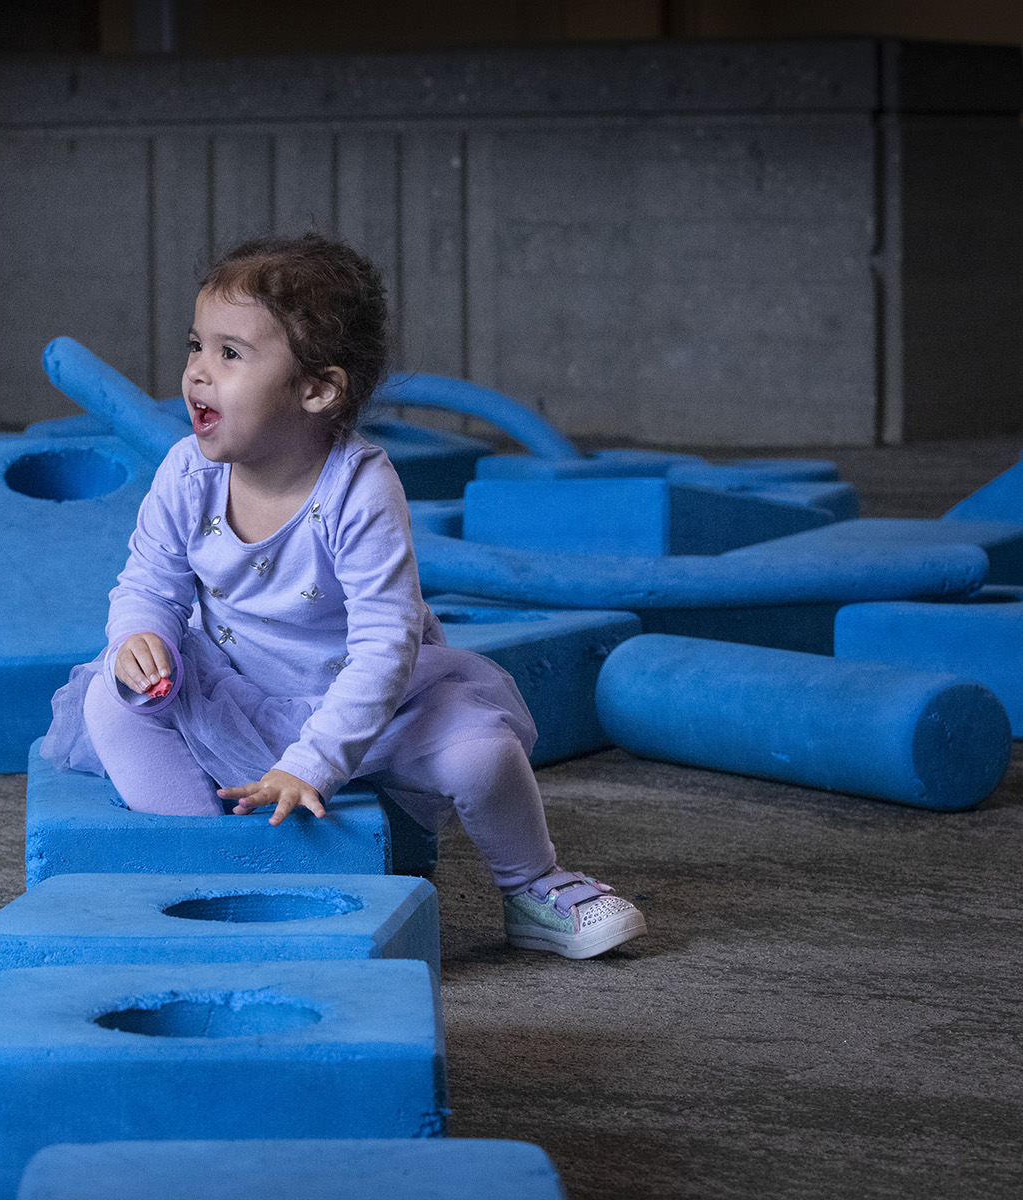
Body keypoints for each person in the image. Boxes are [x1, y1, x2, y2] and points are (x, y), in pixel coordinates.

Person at [40, 232, 645, 960]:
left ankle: (532, 887)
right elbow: (149, 581)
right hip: (231, 692)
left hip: (367, 707)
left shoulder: (359, 488)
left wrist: (314, 763)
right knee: (115, 695)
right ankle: (208, 857)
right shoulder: (187, 472)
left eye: (230, 355)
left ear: (316, 390)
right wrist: (144, 635)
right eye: (196, 346)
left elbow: (386, 648)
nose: (197, 373)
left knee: (484, 756)